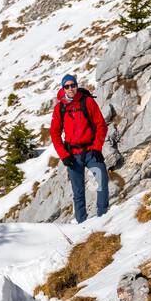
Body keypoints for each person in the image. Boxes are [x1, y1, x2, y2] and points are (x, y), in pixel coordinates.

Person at [49, 74, 109, 223]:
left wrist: (97, 148)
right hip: (72, 156)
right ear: (63, 88)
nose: (70, 89)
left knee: (102, 180)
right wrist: (63, 155)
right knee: (78, 192)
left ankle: (103, 217)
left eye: (73, 85)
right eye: (67, 86)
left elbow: (101, 125)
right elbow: (54, 133)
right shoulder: (60, 107)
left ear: (76, 85)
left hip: (90, 152)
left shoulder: (87, 102)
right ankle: (82, 224)